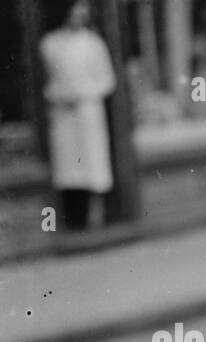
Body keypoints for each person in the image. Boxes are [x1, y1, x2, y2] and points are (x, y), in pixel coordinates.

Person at [40, 0, 116, 231]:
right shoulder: (50, 43)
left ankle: (95, 219)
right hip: (63, 114)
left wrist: (83, 93)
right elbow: (45, 83)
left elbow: (107, 80)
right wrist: (59, 95)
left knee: (92, 165)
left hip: (87, 112)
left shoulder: (93, 43)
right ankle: (72, 220)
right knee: (69, 169)